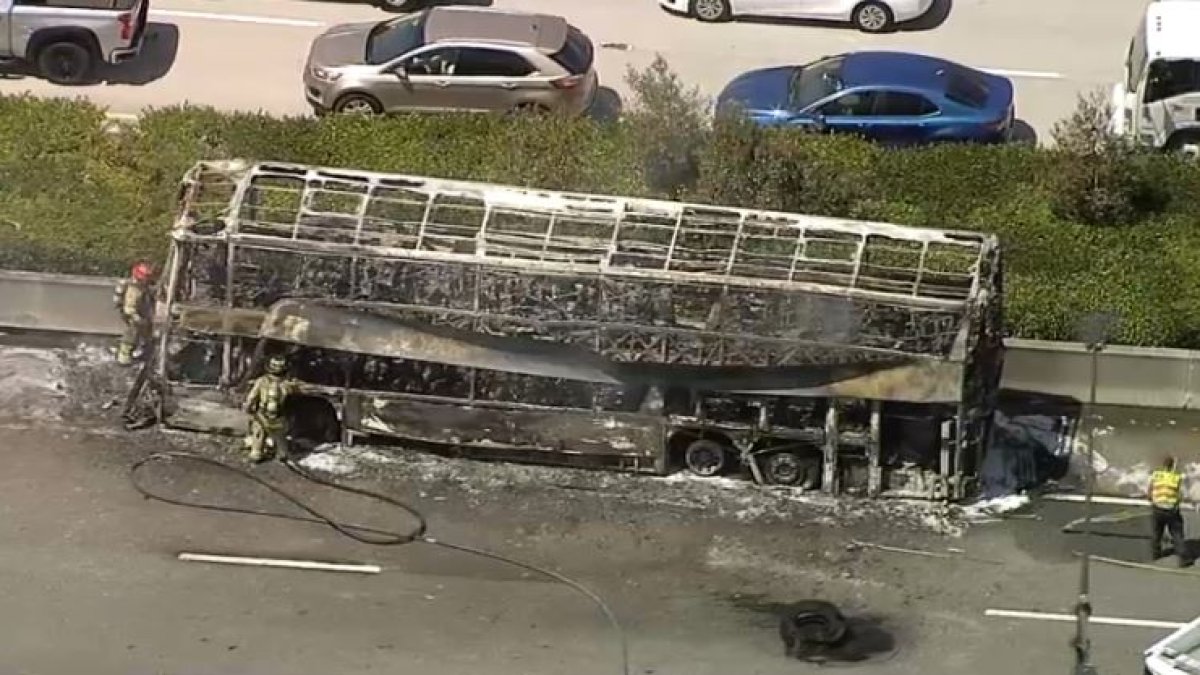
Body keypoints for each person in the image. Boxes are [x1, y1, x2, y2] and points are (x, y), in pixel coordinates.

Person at [242, 355, 297, 463]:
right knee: (277, 436)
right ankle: (280, 454)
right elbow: (292, 399)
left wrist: (248, 406)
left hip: (266, 415)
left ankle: (258, 453)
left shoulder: (263, 381)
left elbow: (252, 396)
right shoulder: (286, 384)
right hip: (275, 416)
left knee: (261, 434)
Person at [113, 261, 156, 366]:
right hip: (134, 316)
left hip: (142, 315)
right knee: (132, 335)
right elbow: (129, 306)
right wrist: (135, 317)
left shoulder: (142, 287)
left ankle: (145, 354)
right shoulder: (134, 289)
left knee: (146, 335)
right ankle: (123, 357)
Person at [1149, 455, 1190, 566]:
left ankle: (1155, 554)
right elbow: (1181, 494)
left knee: (1157, 532)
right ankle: (1183, 558)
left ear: (1163, 465)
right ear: (1172, 465)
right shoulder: (1176, 477)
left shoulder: (1156, 474)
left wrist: (1154, 501)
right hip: (1171, 509)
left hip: (1158, 507)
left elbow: (1149, 491)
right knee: (1177, 533)